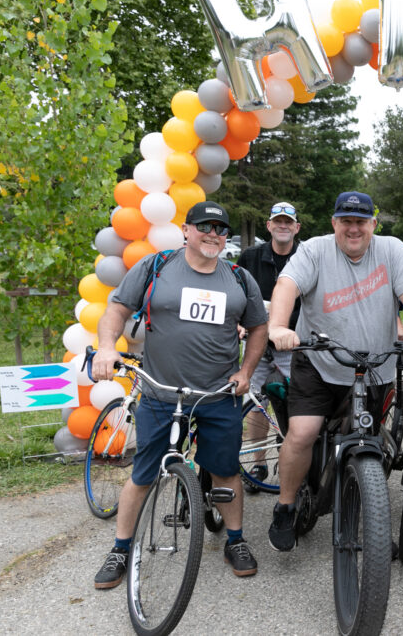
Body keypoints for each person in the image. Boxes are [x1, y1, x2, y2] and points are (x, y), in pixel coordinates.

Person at [91, 201, 268, 588]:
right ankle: (120, 548)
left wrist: (246, 371)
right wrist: (107, 346)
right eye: (204, 226)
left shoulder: (239, 278)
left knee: (225, 472)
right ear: (186, 230)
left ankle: (235, 540)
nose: (213, 234)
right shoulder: (157, 267)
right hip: (160, 393)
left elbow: (258, 328)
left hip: (218, 395)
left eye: (221, 229)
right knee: (143, 474)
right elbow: (118, 308)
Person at [266, 191, 403, 552]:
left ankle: (367, 514)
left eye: (361, 221)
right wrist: (278, 328)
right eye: (345, 221)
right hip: (318, 360)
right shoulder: (315, 249)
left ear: (372, 225)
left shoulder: (392, 250)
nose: (353, 228)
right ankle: (285, 506)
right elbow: (287, 286)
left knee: (370, 440)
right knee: (303, 433)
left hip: (373, 366)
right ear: (334, 223)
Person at [237, 201, 301, 491]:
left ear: (297, 227)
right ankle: (258, 463)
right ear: (269, 226)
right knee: (255, 404)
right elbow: (237, 296)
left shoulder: (306, 256)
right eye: (278, 221)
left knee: (299, 404)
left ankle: (294, 460)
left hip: (295, 345)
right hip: (258, 342)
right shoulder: (250, 257)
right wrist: (239, 322)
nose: (283, 226)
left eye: (289, 222)